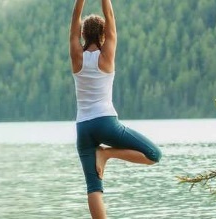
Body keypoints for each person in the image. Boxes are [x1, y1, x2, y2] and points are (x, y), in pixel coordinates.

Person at [69, 0, 163, 218]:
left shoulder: (77, 57)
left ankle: (103, 155)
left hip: (83, 127)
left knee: (94, 188)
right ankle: (107, 154)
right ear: (103, 35)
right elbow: (110, 17)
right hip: (105, 122)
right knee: (154, 154)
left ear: (83, 35)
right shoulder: (106, 56)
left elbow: (74, 21)